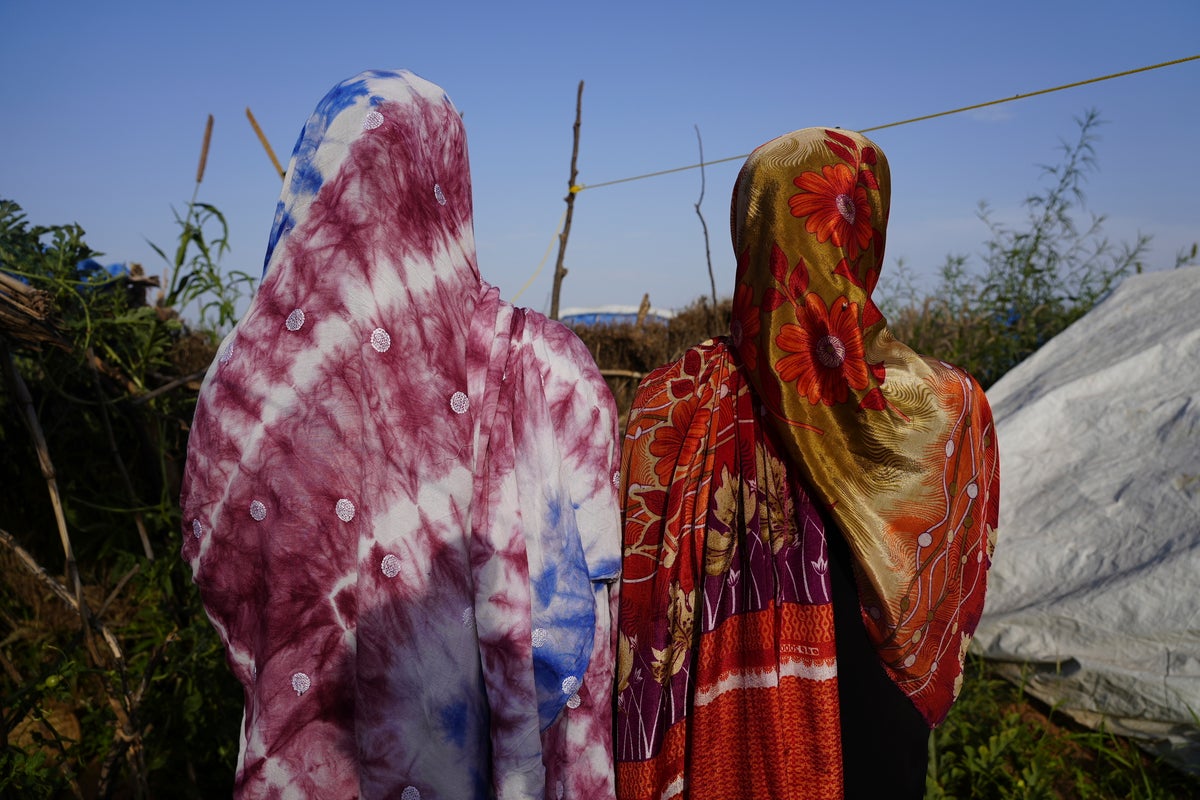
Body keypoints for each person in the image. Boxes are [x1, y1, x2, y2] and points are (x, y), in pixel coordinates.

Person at [180, 70, 621, 800]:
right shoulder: (547, 369)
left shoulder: (239, 384)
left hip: (299, 772)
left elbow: (223, 579)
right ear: (449, 175)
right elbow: (588, 617)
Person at [614, 127, 999, 799]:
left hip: (715, 742)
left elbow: (636, 608)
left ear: (748, 228)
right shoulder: (946, 405)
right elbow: (954, 585)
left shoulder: (673, 398)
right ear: (865, 226)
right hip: (879, 727)